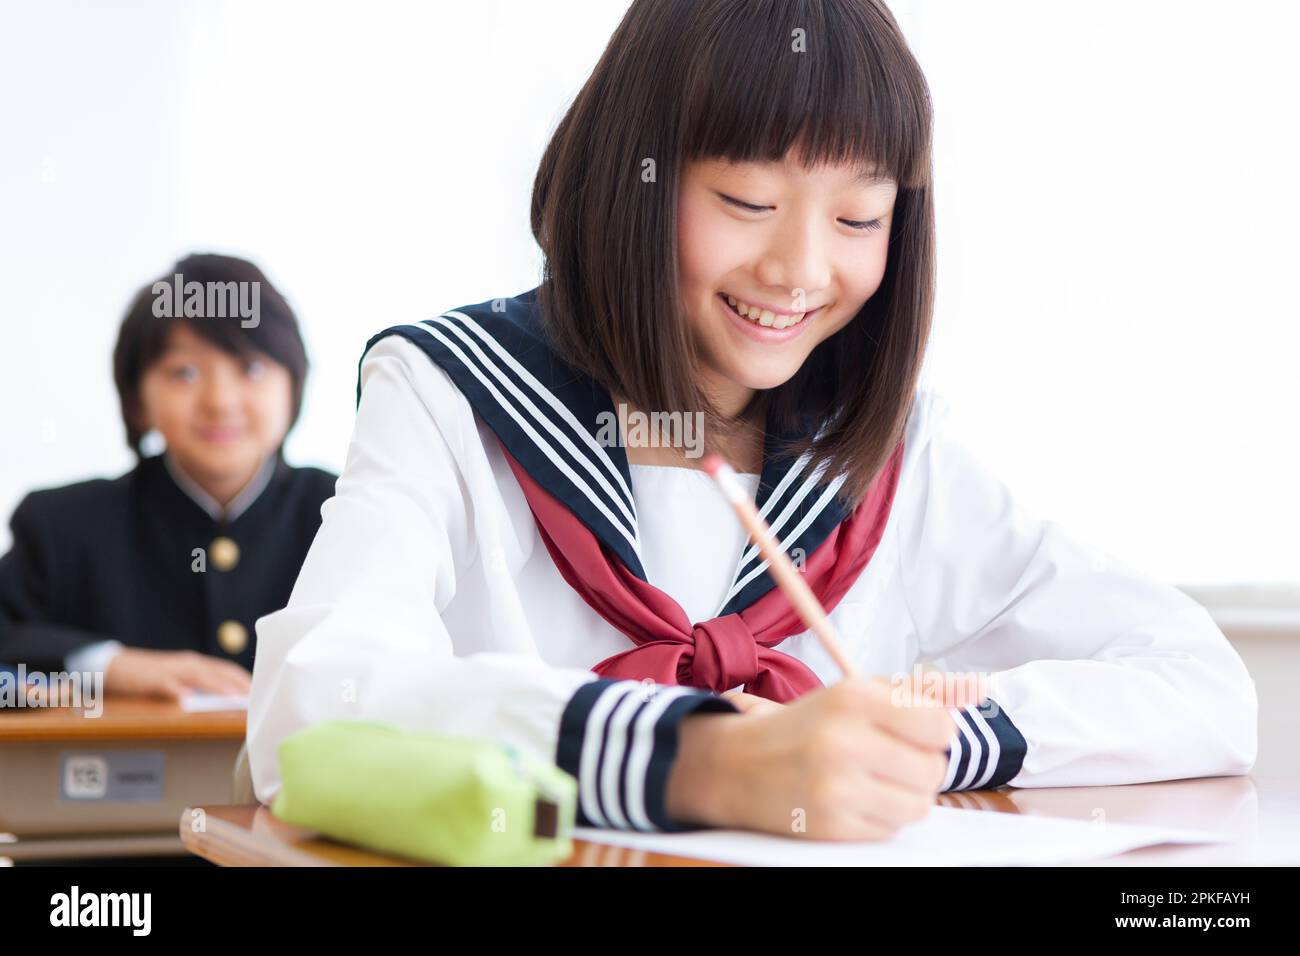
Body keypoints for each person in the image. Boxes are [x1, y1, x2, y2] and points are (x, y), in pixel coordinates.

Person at [247, 0, 1255, 840]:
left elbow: (1202, 689)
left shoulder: (888, 462)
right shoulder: (448, 396)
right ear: (630, 179)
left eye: (859, 218)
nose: (800, 270)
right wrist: (699, 756)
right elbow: (308, 710)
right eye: (744, 198)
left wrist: (911, 738)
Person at [0, 253, 336, 700]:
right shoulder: (62, 524)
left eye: (250, 368)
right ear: (137, 398)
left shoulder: (342, 512)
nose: (220, 401)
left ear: (293, 386)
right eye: (185, 372)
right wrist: (109, 664)